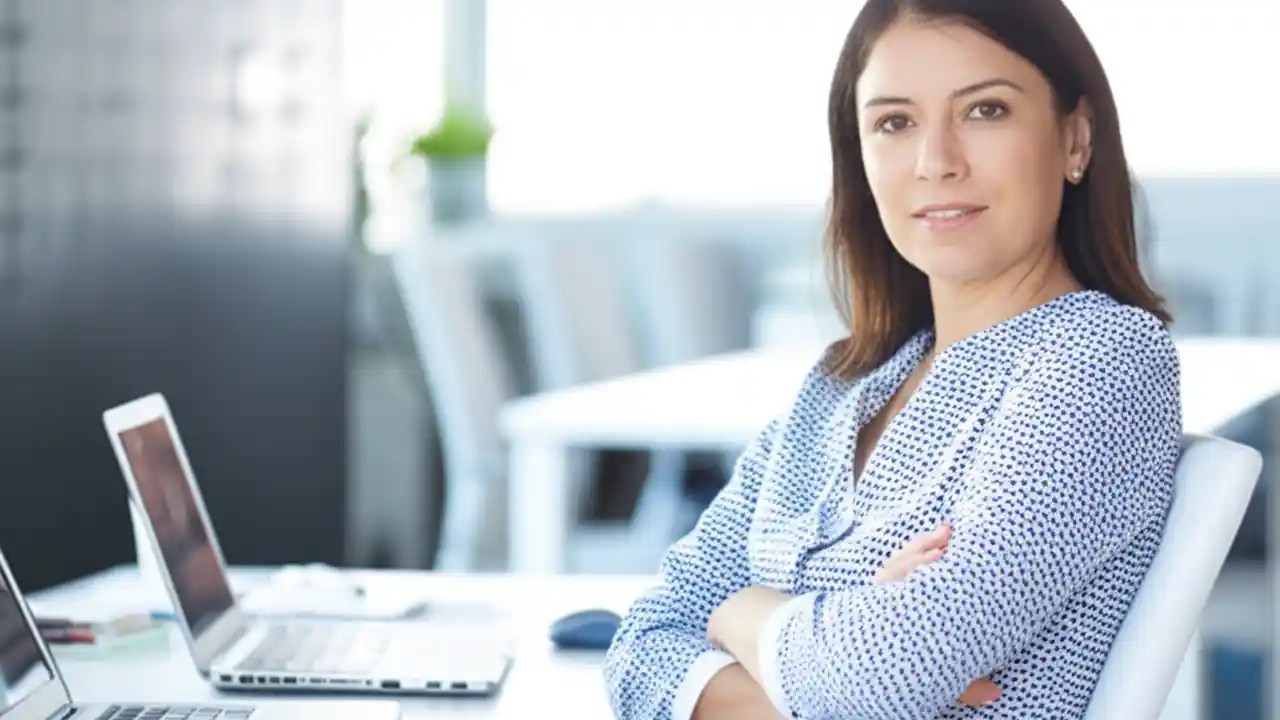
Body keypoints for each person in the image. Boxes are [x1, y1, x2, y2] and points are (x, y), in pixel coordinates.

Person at [603, 0, 1181, 718]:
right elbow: (639, 647)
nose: (936, 162)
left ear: (1076, 137)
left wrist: (740, 614)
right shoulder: (840, 387)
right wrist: (831, 655)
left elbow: (875, 679)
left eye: (985, 111)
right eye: (894, 123)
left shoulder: (1101, 361)